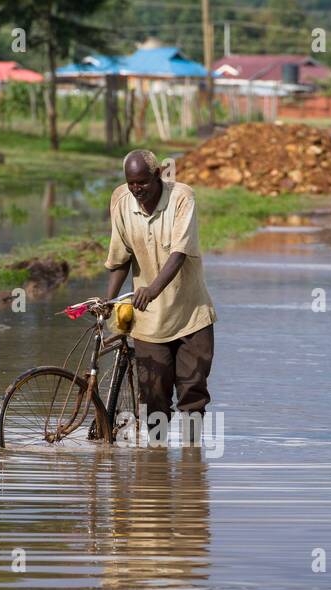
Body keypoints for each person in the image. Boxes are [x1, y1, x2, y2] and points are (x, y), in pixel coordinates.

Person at [104, 149, 216, 442]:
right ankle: (156, 464)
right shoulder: (121, 202)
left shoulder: (182, 197)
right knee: (153, 398)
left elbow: (179, 252)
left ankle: (192, 462)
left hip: (191, 314)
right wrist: (107, 301)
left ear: (159, 176)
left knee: (192, 394)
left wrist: (152, 289)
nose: (136, 189)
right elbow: (121, 257)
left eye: (143, 182)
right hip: (150, 321)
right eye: (131, 183)